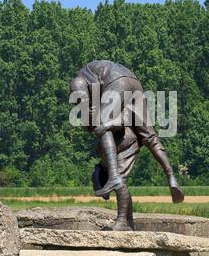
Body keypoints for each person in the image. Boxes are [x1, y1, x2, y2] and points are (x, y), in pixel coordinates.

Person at [69, 60, 183, 230]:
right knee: (150, 137)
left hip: (117, 82)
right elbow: (122, 122)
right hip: (134, 82)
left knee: (102, 126)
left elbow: (90, 112)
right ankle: (171, 176)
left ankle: (113, 175)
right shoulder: (94, 73)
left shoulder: (77, 81)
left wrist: (92, 121)